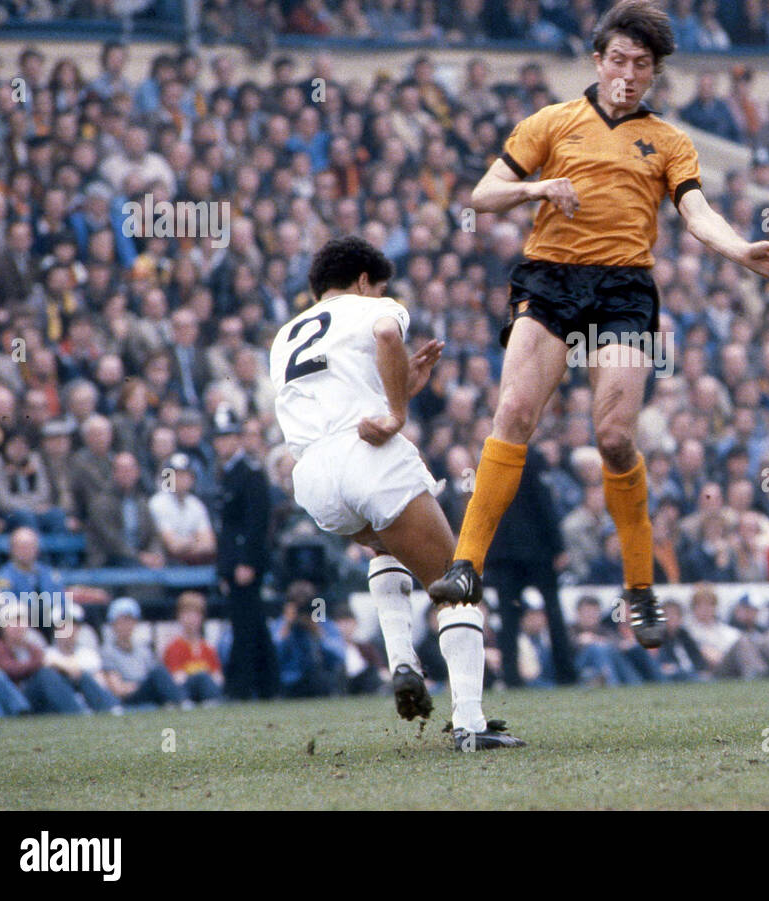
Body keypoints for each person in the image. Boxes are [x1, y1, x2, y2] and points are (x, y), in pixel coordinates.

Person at [434, 0, 769, 649]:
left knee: (612, 436)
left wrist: (739, 249)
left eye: (641, 64)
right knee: (514, 414)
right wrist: (536, 189)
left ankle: (639, 585)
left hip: (623, 289)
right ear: (596, 59)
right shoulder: (551, 123)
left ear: (655, 73)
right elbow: (482, 193)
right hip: (548, 278)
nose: (627, 72)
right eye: (618, 58)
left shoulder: (668, 141)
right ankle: (466, 566)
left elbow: (696, 213)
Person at [269, 236, 521, 749]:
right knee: (457, 582)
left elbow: (342, 394)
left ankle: (403, 661)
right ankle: (470, 724)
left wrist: (404, 385)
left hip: (313, 475)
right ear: (364, 281)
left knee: (385, 543)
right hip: (368, 456)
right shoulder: (376, 307)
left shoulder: (284, 337)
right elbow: (386, 333)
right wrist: (399, 413)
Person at [480, 444, 577, 687]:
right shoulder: (532, 457)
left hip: (503, 553)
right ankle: (565, 672)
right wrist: (558, 547)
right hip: (537, 551)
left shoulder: (491, 454)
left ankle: (512, 676)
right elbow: (544, 503)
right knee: (553, 613)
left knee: (508, 617)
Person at [212, 406, 277, 700]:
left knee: (246, 624)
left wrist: (246, 561)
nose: (223, 443)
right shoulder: (229, 472)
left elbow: (255, 522)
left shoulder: (249, 472)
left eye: (228, 437)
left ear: (238, 439)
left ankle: (243, 686)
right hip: (234, 562)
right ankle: (266, 685)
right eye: (219, 438)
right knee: (252, 622)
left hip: (245, 562)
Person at [100, 597, 186, 708]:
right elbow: (118, 689)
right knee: (158, 673)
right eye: (122, 620)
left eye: (130, 620)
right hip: (130, 699)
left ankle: (181, 702)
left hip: (145, 690)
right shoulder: (108, 652)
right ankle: (181, 703)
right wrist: (139, 685)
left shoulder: (143, 649)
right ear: (113, 623)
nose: (126, 625)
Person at [162, 591, 224, 703]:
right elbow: (177, 679)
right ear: (179, 616)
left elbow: (217, 678)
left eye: (196, 614)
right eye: (187, 613)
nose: (192, 619)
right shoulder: (173, 647)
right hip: (185, 693)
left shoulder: (208, 648)